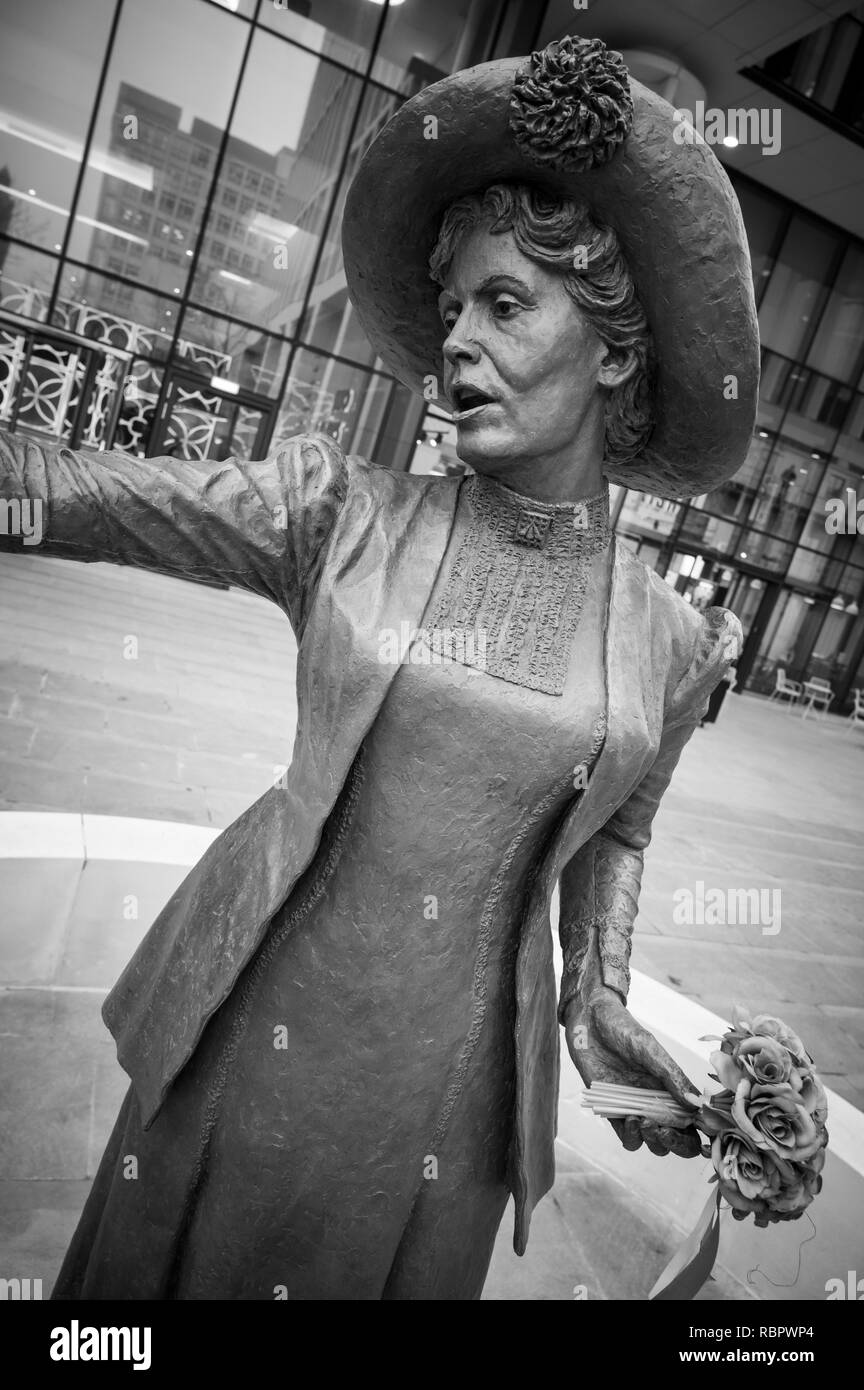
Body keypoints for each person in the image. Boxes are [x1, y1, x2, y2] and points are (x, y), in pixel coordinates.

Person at [0, 36, 756, 1300]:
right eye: (451, 308)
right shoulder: (339, 511)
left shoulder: (670, 640)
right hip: (258, 1022)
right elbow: (87, 492)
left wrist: (598, 998)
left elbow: (618, 828)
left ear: (615, 353)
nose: (457, 342)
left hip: (454, 1103)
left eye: (504, 305)